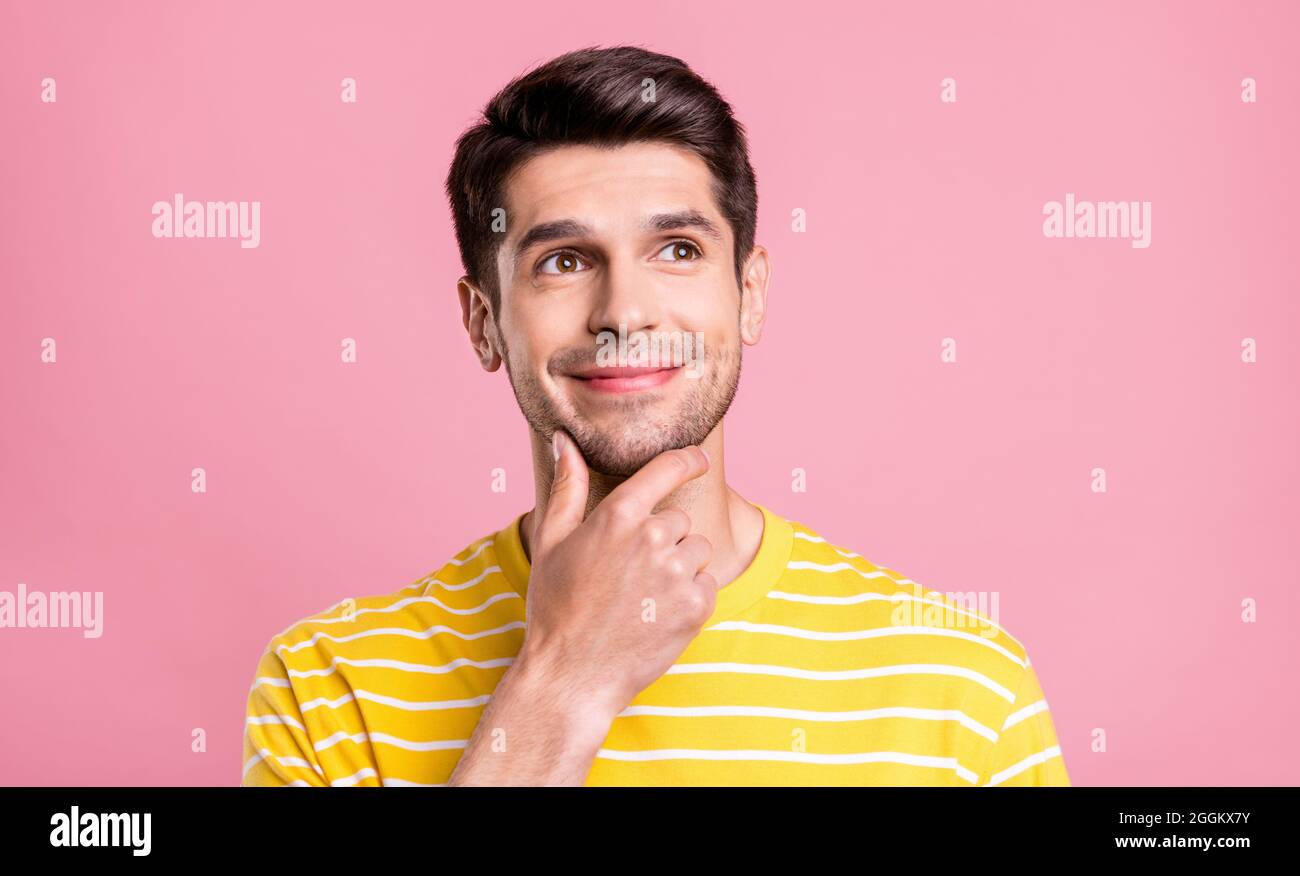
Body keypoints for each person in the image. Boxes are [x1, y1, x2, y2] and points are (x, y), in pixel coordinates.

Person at [242, 46, 1069, 786]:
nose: (625, 313)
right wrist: (565, 684)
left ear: (749, 295)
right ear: (483, 321)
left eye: (677, 250)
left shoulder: (963, 687)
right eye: (563, 262)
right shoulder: (330, 689)